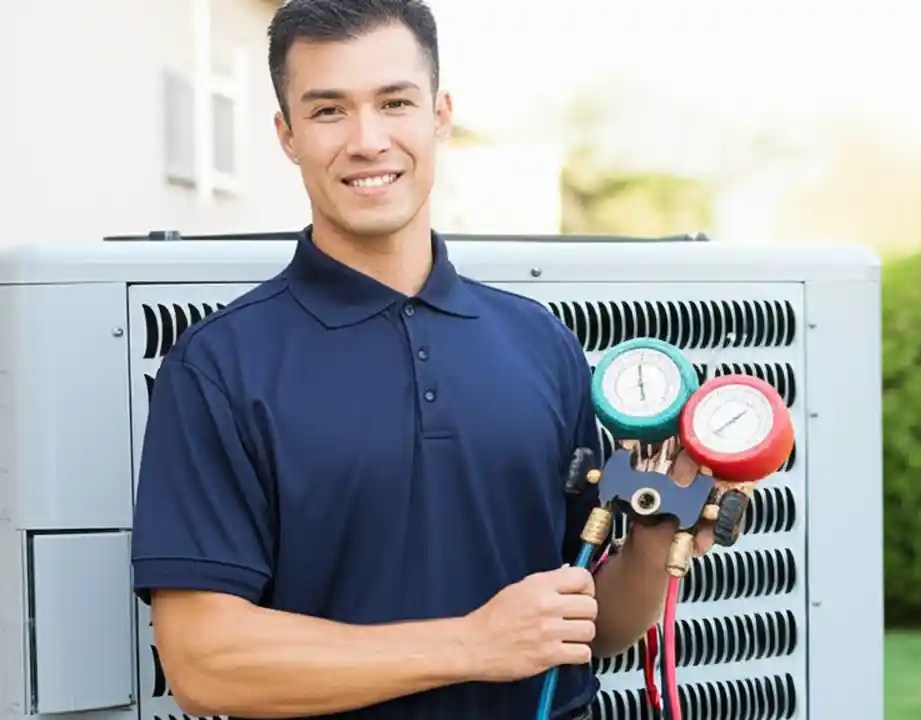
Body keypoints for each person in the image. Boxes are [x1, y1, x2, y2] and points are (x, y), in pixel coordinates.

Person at [129, 1, 716, 719]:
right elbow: (203, 663)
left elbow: (583, 628)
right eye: (328, 112)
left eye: (394, 102)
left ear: (439, 114)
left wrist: (654, 548)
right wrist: (470, 644)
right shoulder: (219, 367)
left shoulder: (542, 344)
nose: (368, 140)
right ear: (286, 135)